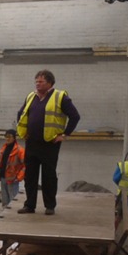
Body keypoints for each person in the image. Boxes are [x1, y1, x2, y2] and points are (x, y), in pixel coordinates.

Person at [16, 70, 81, 215]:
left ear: (50, 83)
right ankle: (29, 205)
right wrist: (23, 132)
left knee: (48, 176)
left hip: (50, 144)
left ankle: (50, 206)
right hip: (32, 142)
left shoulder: (60, 97)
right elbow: (21, 113)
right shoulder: (31, 96)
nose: (37, 84)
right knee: (30, 176)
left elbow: (75, 116)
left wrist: (64, 135)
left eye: (41, 82)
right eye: (36, 81)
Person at [0, 129, 26, 210]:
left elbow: (25, 166)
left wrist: (19, 177)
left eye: (9, 137)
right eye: (6, 136)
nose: (7, 138)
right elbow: (1, 162)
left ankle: (12, 215)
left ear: (14, 138)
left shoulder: (20, 150)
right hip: (3, 177)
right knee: (4, 200)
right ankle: (4, 214)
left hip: (13, 179)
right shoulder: (4, 148)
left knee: (13, 199)